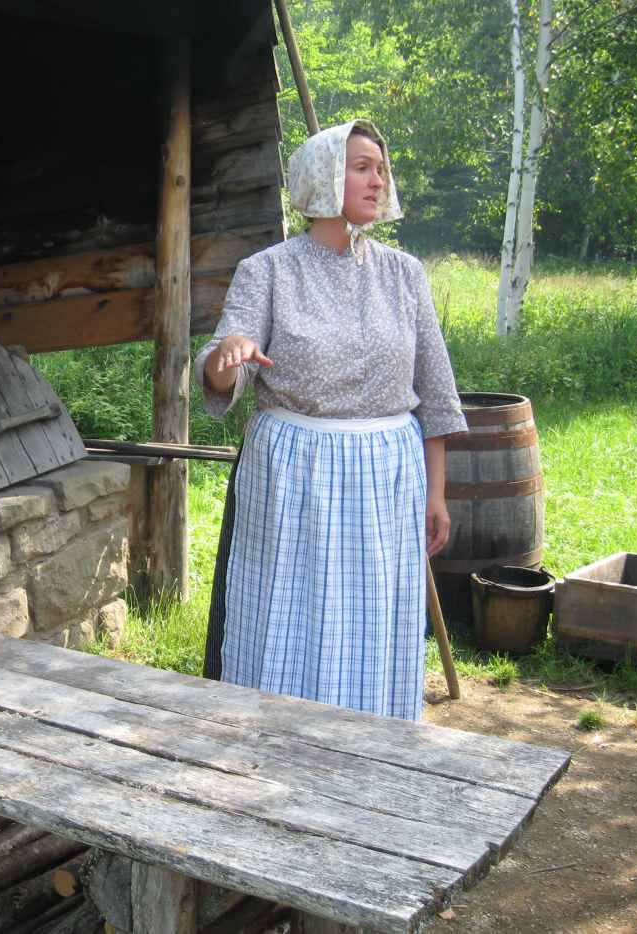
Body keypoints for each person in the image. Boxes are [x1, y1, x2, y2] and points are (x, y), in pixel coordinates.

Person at [195, 119, 467, 721]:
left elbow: (436, 395)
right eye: (361, 167)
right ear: (323, 178)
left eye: (380, 168)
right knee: (285, 610)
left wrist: (437, 493)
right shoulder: (267, 271)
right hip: (295, 470)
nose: (378, 181)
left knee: (375, 616)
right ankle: (273, 737)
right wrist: (227, 354)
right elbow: (223, 372)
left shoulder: (404, 274)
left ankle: (373, 745)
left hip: (386, 473)